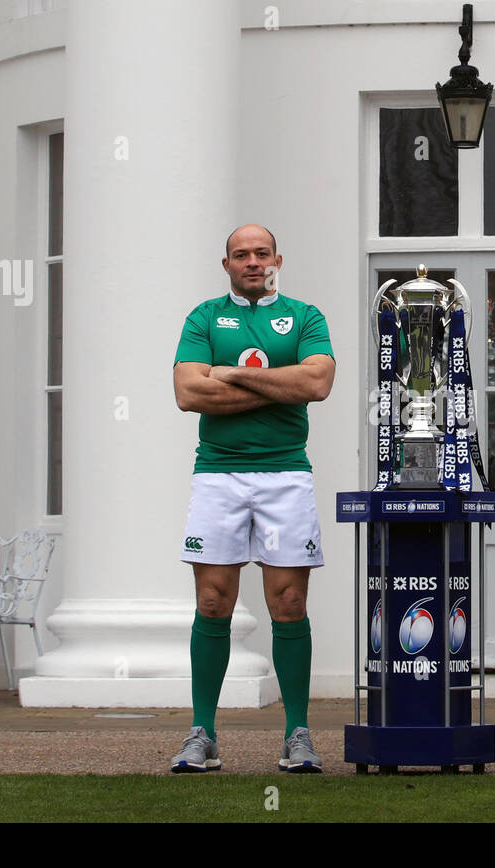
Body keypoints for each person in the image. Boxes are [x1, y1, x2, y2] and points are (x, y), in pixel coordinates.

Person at [169, 224, 335, 773]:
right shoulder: (203, 317)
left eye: (261, 253)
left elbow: (316, 384)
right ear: (226, 264)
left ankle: (297, 734)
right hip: (218, 475)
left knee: (288, 603)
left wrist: (233, 375)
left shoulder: (306, 316)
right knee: (213, 601)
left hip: (286, 474)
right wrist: (273, 388)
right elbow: (189, 392)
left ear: (277, 259)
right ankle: (203, 734)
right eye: (241, 255)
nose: (252, 262)